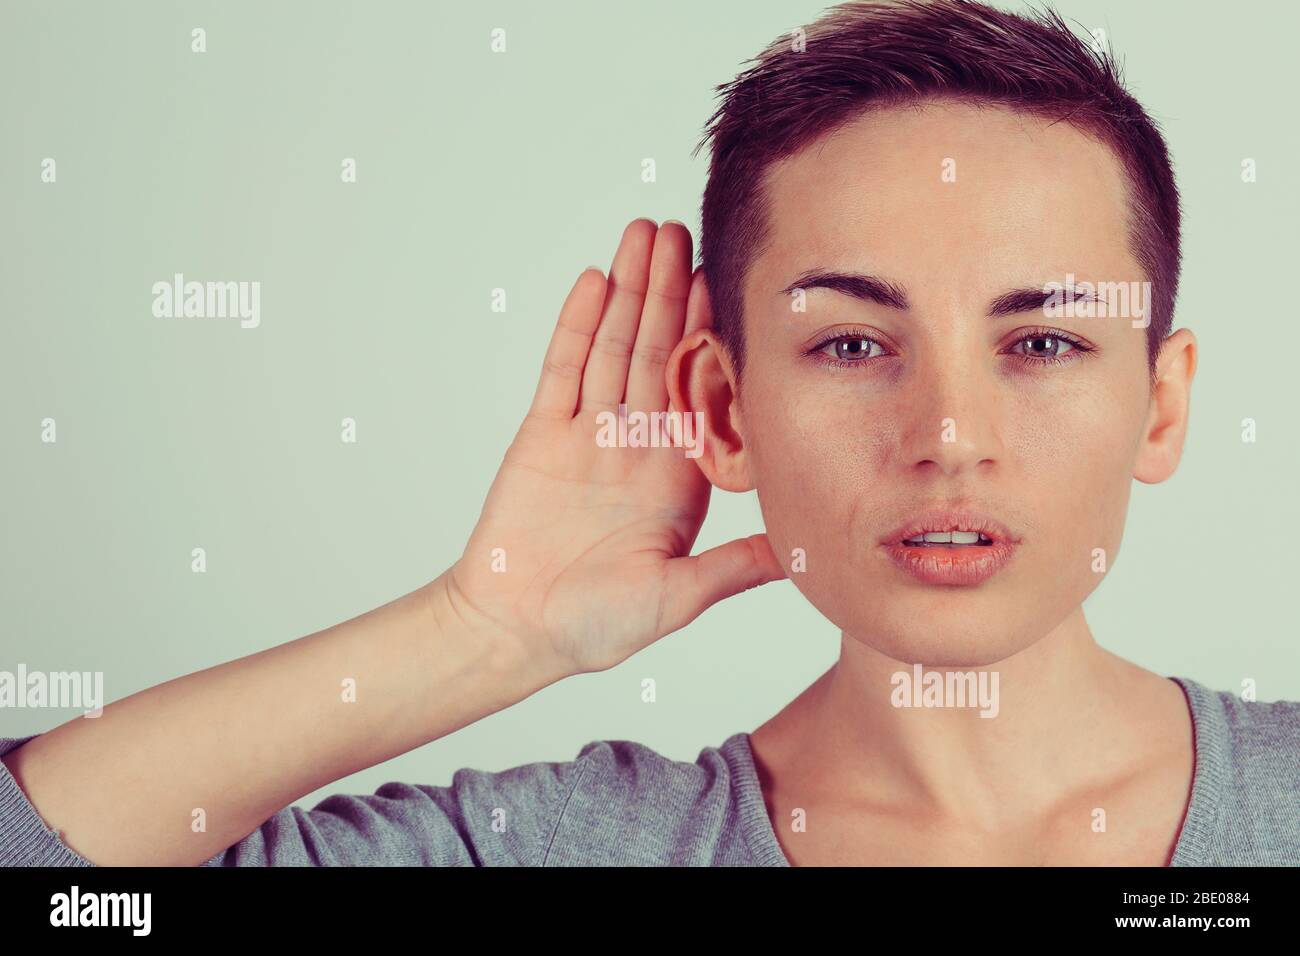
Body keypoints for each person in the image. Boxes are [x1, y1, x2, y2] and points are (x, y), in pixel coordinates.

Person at [2, 0, 1296, 868]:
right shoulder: (577, 844)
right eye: (853, 344)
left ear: (1161, 402)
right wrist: (482, 632)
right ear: (724, 412)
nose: (949, 435)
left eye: (1042, 343)